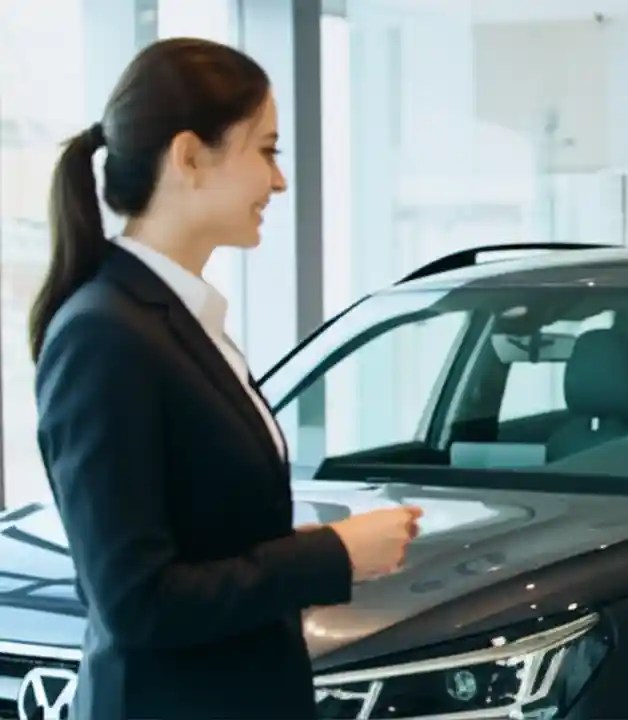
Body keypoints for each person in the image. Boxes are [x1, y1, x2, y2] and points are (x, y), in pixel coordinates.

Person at [29, 38, 421, 720]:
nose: (279, 182)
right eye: (266, 150)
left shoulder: (179, 320)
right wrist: (332, 554)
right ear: (188, 156)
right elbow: (136, 601)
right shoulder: (107, 334)